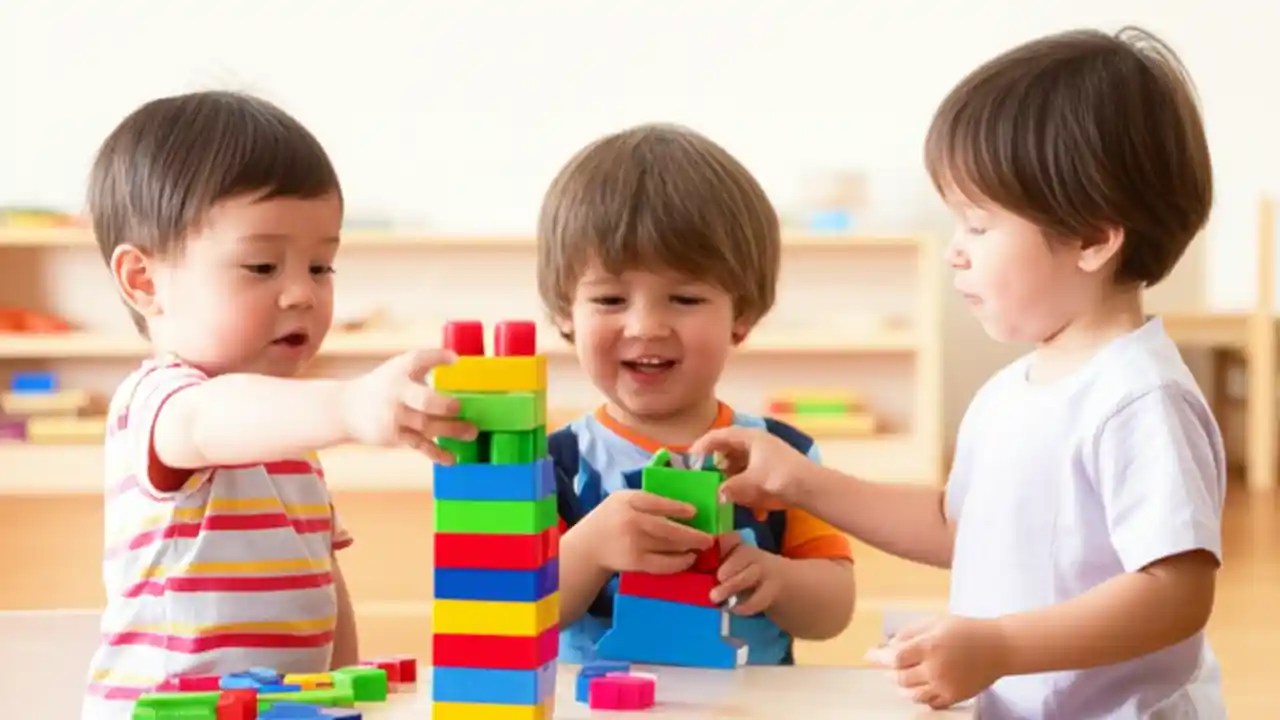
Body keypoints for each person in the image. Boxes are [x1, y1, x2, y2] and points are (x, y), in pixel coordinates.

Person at [691, 26, 1224, 718]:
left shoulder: (1138, 397)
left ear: (1093, 238)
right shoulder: (1015, 390)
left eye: (977, 224)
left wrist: (1000, 644)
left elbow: (1176, 590)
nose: (954, 253)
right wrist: (799, 481)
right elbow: (958, 525)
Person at [80, 91, 473, 719]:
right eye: (262, 266)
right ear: (143, 280)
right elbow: (213, 420)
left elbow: (323, 589)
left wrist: (344, 690)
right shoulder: (159, 403)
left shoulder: (290, 440)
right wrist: (350, 407)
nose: (301, 294)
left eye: (321, 266)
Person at [537, 123, 857, 665]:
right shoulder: (554, 463)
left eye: (684, 298)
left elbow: (834, 611)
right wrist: (590, 549)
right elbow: (515, 612)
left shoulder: (780, 456)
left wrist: (778, 580)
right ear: (566, 315)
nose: (645, 325)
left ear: (743, 316)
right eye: (611, 299)